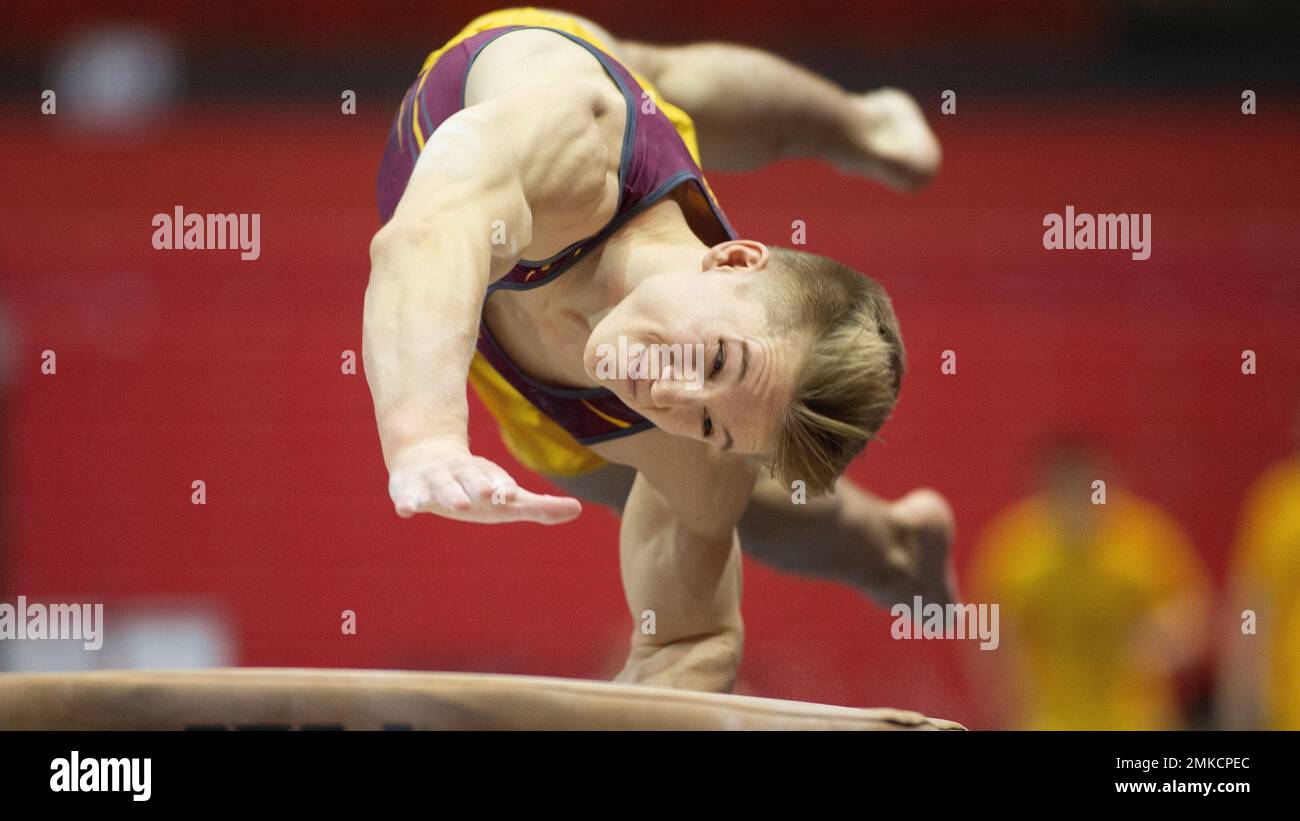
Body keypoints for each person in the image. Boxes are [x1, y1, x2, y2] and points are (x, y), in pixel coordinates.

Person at [364, 7, 952, 693]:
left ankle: (896, 554)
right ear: (731, 259)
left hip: (546, 405)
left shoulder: (692, 447)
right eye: (715, 360)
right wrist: (427, 440)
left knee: (743, 503)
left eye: (712, 421)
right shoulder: (574, 147)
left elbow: (691, 640)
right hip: (531, 96)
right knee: (656, 75)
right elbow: (424, 238)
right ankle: (864, 125)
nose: (667, 394)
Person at [968, 438, 1211, 729]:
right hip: (1051, 720)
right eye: (1066, 495)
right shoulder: (1017, 548)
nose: (1076, 508)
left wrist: (1162, 641)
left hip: (1134, 716)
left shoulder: (1143, 538)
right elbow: (987, 629)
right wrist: (1007, 690)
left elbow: (1195, 612)